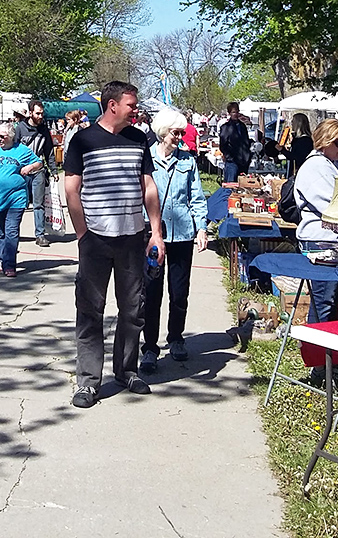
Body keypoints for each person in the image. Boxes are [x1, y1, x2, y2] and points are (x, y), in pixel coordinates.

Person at [64, 80, 165, 408]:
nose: (136, 111)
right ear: (112, 106)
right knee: (91, 310)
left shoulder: (139, 139)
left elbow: (148, 186)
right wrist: (83, 234)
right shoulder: (82, 141)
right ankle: (89, 382)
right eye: (132, 105)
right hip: (96, 239)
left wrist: (155, 232)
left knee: (132, 308)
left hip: (132, 238)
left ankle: (126, 370)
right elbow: (71, 190)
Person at [140, 107, 208, 372]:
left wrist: (201, 228)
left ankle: (177, 338)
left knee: (179, 292)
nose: (180, 137)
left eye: (182, 133)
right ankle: (149, 348)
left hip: (181, 235)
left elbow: (197, 197)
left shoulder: (187, 161)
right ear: (162, 132)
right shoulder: (147, 159)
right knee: (151, 293)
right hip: (153, 237)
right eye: (176, 133)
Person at [294, 118, 338, 325]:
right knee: (324, 304)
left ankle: (327, 354)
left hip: (335, 242)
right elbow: (333, 207)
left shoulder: (333, 165)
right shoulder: (316, 167)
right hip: (321, 243)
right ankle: (319, 354)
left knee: (331, 303)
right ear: (324, 140)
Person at [0, 123, 43, 276]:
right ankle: (2, 259)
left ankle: (9, 265)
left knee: (11, 231)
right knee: (0, 232)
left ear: (11, 137)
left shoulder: (21, 150)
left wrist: (29, 168)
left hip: (16, 198)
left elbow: (39, 162)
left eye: (2, 136)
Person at [14, 98, 57, 247]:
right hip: (22, 172)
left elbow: (49, 151)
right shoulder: (20, 128)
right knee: (20, 204)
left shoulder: (44, 130)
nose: (40, 116)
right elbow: (13, 150)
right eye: (37, 113)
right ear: (30, 113)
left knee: (39, 204)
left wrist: (54, 170)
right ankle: (13, 233)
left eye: (42, 114)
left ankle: (40, 235)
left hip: (38, 171)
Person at [218, 101, 251, 181]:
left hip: (244, 161)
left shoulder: (242, 126)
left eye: (237, 112)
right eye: (233, 112)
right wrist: (229, 156)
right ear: (229, 113)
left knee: (243, 186)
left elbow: (246, 141)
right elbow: (223, 145)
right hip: (232, 162)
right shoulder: (225, 127)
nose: (236, 114)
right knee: (230, 186)